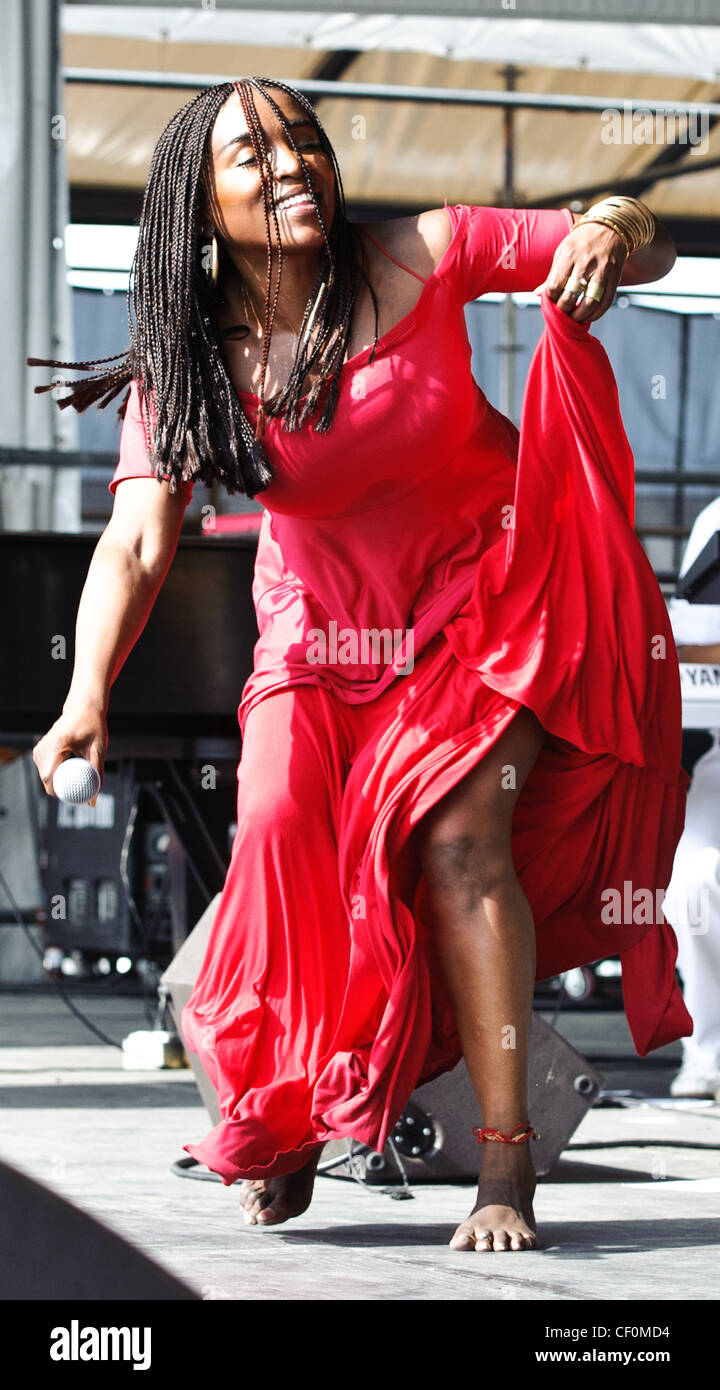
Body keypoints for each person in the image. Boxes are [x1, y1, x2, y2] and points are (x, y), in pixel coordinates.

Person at [30, 76, 690, 1255]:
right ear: (199, 202)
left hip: (489, 596)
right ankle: (289, 1108)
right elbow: (135, 540)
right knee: (280, 828)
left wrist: (612, 226)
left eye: (303, 140)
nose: (292, 164)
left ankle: (506, 1160)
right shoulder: (190, 358)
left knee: (459, 842)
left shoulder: (422, 252)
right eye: (253, 154)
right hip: (319, 628)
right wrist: (84, 695)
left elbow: (642, 245)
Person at [662, 497, 720, 1098]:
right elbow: (687, 644)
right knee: (697, 875)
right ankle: (708, 1054)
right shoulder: (717, 521)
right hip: (715, 758)